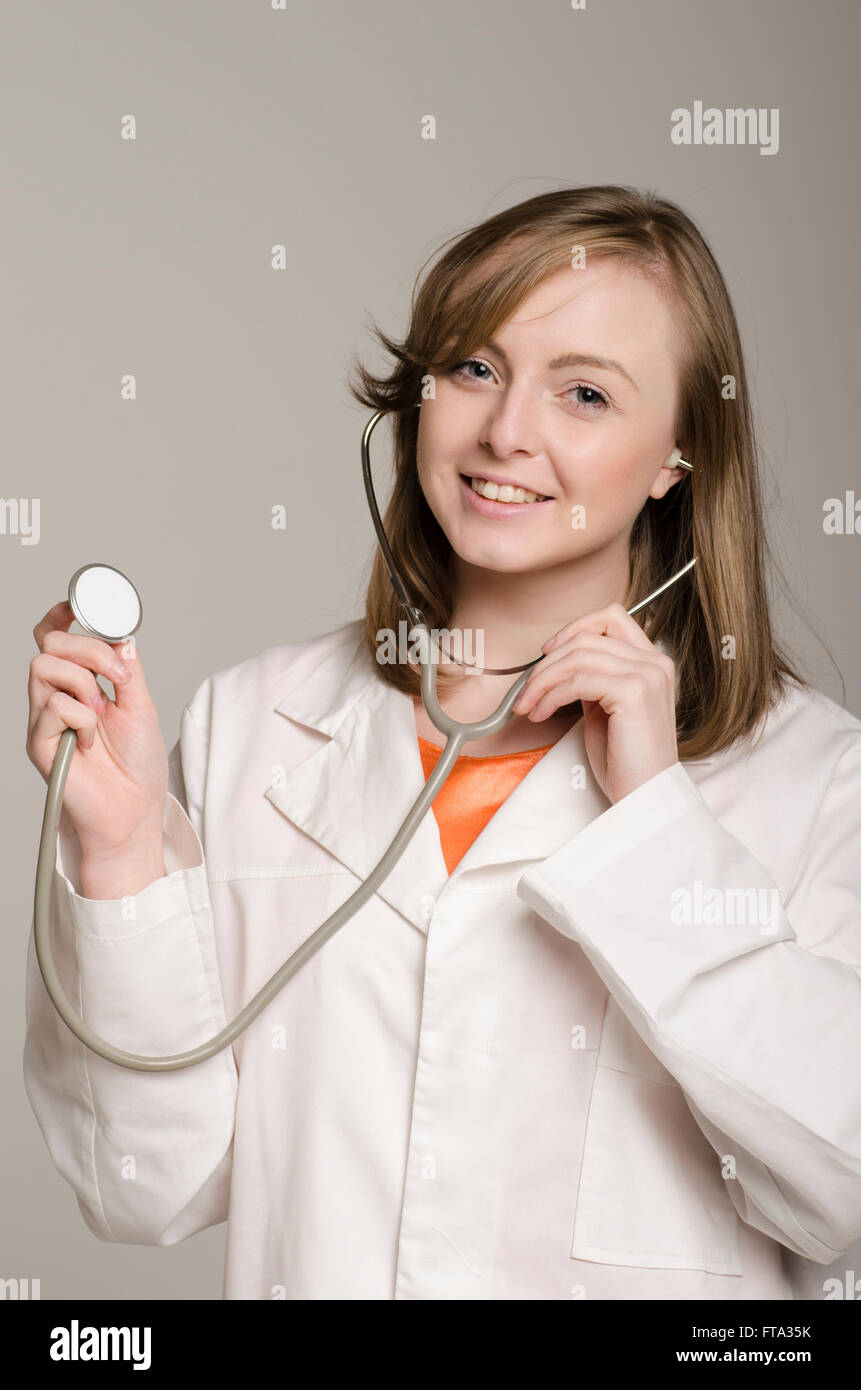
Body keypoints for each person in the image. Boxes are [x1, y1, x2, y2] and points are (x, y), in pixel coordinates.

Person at [24, 185, 861, 1301]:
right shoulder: (254, 725)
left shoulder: (812, 778)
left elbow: (839, 1187)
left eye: (586, 392)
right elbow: (144, 1187)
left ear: (679, 457)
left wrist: (658, 821)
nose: (507, 431)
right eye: (474, 367)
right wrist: (123, 853)